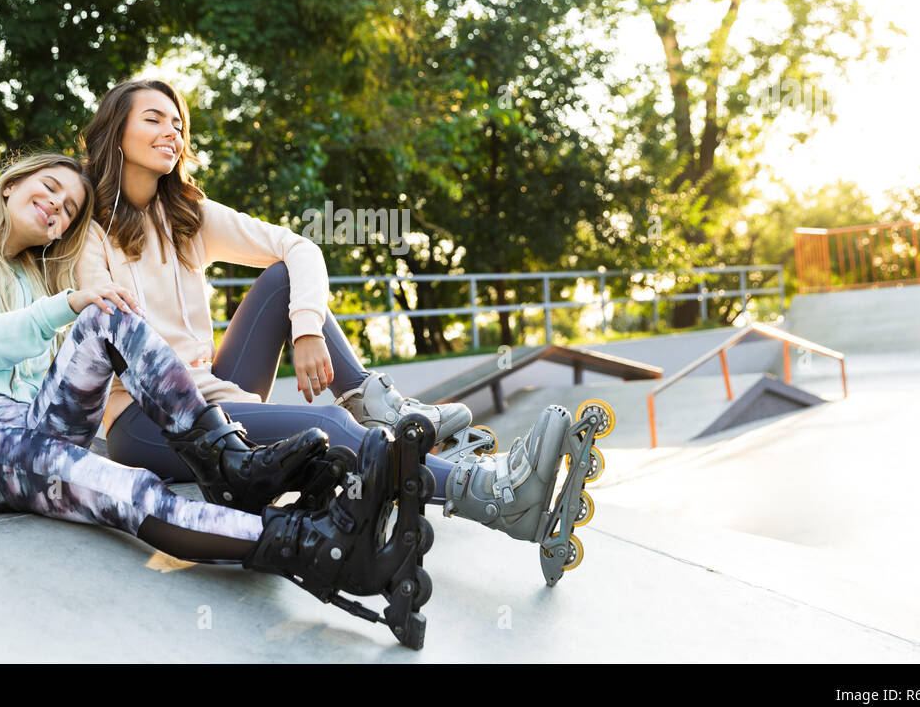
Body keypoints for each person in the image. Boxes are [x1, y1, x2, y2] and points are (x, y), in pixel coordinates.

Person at [0, 152, 433, 646]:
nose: (58, 207)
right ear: (12, 182)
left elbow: (39, 379)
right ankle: (310, 547)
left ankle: (227, 460)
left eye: (71, 208)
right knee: (114, 483)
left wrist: (83, 309)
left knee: (107, 315)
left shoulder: (28, 277)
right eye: (50, 188)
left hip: (23, 427)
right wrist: (69, 302)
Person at [73, 78, 601, 563]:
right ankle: (493, 496)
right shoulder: (88, 227)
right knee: (323, 430)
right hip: (151, 419)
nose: (172, 131)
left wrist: (305, 328)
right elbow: (99, 316)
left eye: (178, 123)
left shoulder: (187, 215)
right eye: (154, 119)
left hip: (213, 390)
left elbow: (298, 246)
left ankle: (374, 406)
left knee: (283, 279)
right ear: (116, 131)